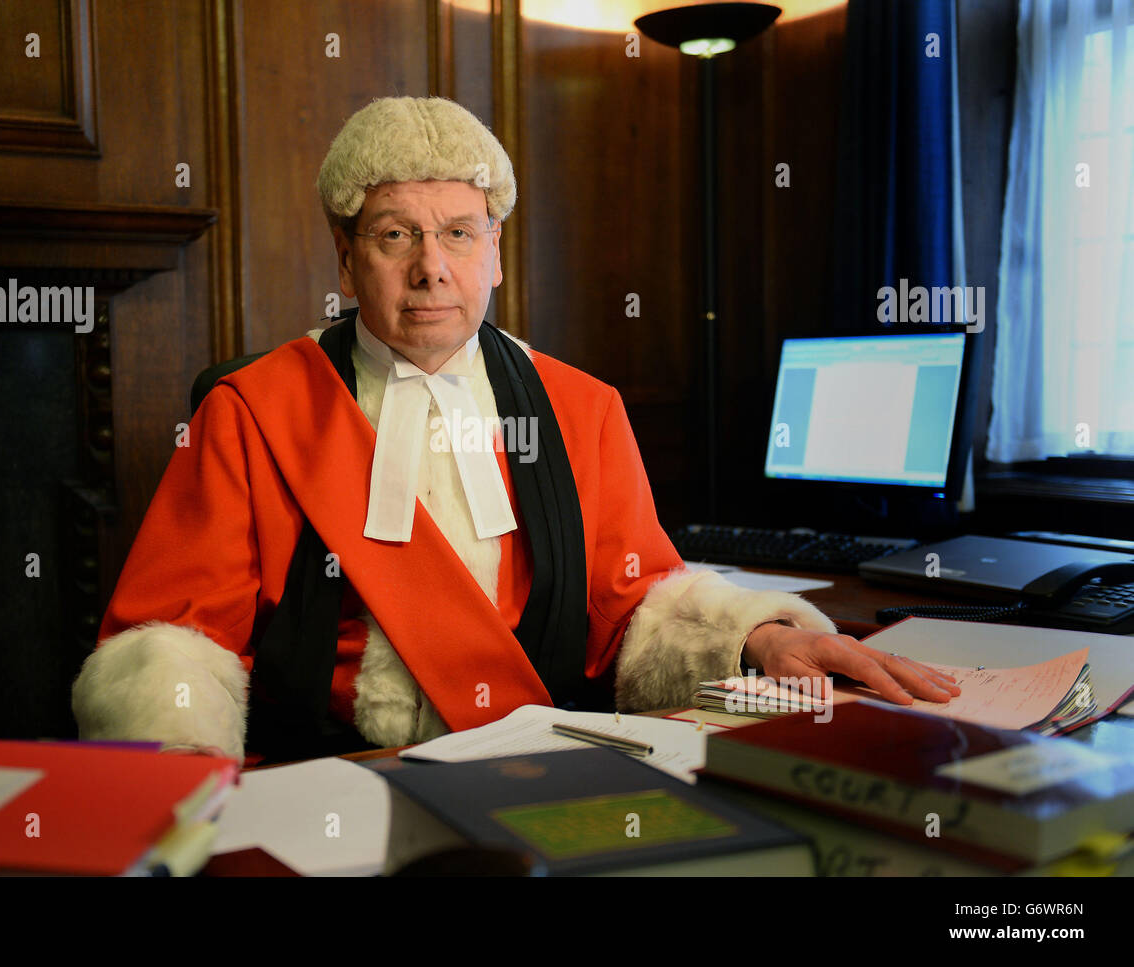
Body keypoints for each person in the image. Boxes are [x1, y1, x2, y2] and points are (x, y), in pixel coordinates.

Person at [70, 97, 958, 764]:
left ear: (495, 250)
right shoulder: (253, 411)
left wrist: (758, 638)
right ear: (345, 256)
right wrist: (182, 803)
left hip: (537, 770)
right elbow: (173, 642)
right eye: (395, 235)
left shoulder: (582, 406)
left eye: (459, 233)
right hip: (327, 779)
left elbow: (633, 608)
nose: (432, 268)